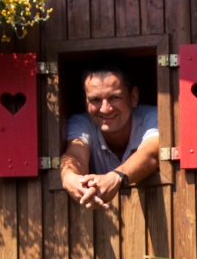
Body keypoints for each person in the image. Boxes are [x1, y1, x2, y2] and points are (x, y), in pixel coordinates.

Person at [59, 64, 161, 208]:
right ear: (86, 102)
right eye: (95, 100)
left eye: (114, 97)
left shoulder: (153, 117)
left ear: (133, 97)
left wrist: (115, 177)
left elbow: (151, 154)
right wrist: (71, 179)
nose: (105, 109)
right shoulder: (80, 123)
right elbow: (75, 154)